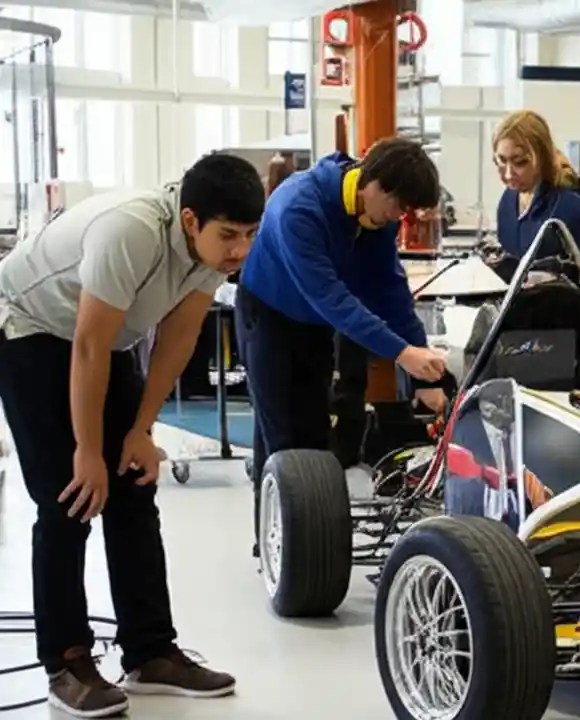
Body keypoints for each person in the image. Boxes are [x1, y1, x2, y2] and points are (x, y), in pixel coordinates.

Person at [0, 152, 264, 717]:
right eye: (229, 235)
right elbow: (87, 345)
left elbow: (180, 335)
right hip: (31, 326)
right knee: (69, 496)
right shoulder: (132, 231)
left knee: (134, 487)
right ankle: (66, 661)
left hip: (106, 341)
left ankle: (149, 653)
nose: (239, 249)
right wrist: (88, 450)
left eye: (249, 234)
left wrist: (141, 430)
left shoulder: (210, 252)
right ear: (190, 220)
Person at [236, 136, 448, 556]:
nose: (399, 218)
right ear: (376, 185)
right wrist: (402, 355)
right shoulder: (299, 207)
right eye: (399, 206)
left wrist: (421, 369)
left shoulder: (375, 218)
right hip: (268, 316)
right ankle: (279, 547)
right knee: (278, 432)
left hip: (313, 324)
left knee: (316, 432)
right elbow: (333, 299)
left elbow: (389, 291)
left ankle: (315, 542)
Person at [492, 110, 580, 262]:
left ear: (542, 159)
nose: (508, 174)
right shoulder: (508, 200)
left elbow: (575, 273)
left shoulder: (568, 207)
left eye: (520, 162)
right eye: (502, 161)